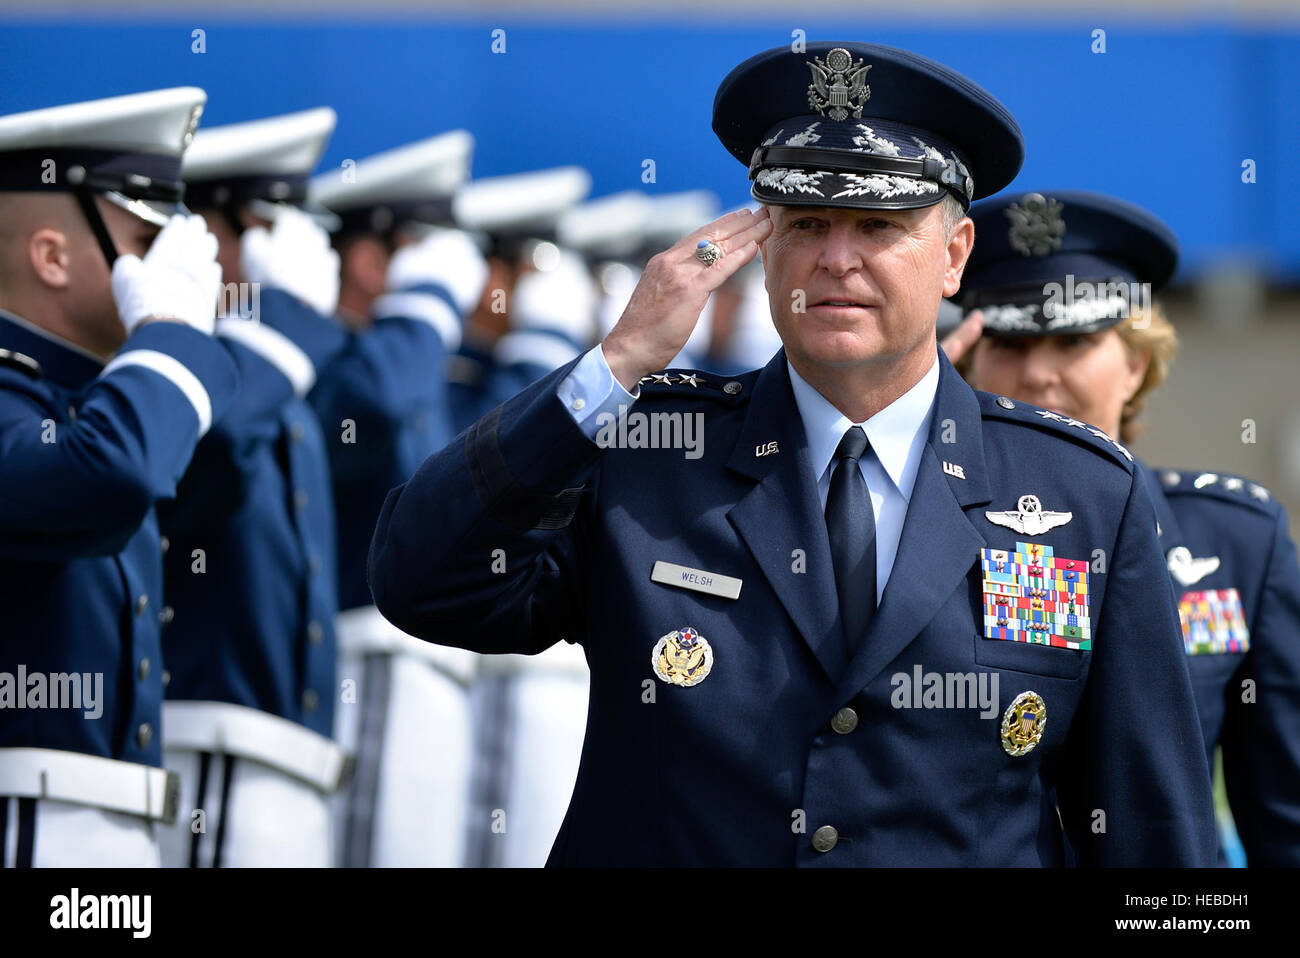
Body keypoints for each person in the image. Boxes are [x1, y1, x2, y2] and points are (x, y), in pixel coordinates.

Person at [368, 41, 1217, 866]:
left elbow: (1151, 828)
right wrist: (614, 365)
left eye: (878, 223)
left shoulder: (1081, 494)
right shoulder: (646, 450)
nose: (837, 258)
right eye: (807, 220)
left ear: (955, 255)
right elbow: (423, 581)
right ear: (764, 245)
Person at [949, 189, 1300, 866]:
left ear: (1136, 363)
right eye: (1010, 343)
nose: (1039, 375)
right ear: (964, 359)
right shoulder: (910, 527)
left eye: (1074, 341)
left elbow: (1285, 821)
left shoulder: (1235, 543)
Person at [0, 88, 238, 866]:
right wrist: (167, 334)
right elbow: (114, 473)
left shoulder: (99, 397)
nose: (176, 265)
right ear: (52, 256)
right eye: (146, 237)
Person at [157, 108, 349, 867]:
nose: (282, 255)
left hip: (284, 755)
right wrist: (281, 319)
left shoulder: (270, 369)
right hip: (208, 743)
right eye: (262, 223)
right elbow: (215, 444)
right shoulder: (179, 370)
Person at [308, 131, 489, 867]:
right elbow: (375, 404)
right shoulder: (345, 360)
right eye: (428, 253)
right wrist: (425, 306)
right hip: (366, 659)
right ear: (369, 258)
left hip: (423, 662)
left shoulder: (415, 357)